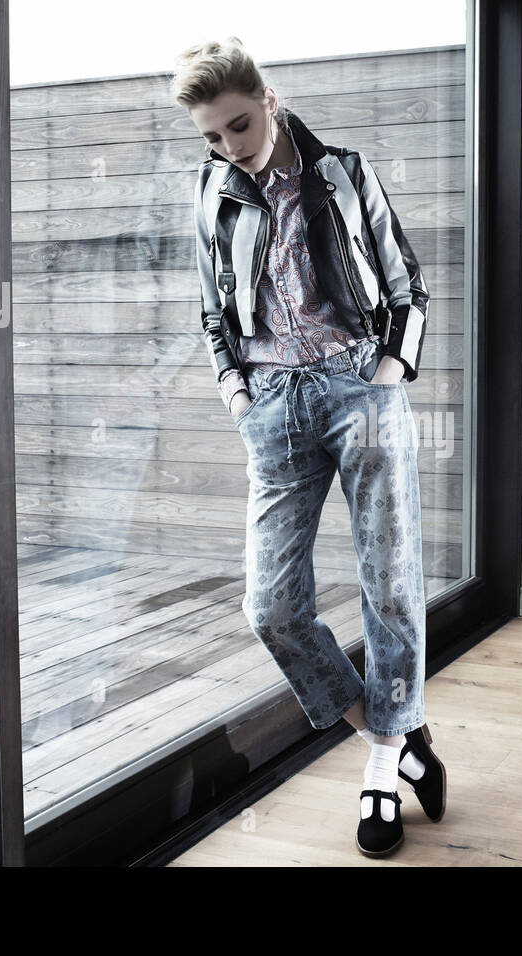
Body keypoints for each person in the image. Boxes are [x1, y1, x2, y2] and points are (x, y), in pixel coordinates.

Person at [173, 36, 446, 857]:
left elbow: (407, 284)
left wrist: (390, 370)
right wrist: (235, 391)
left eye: (239, 125)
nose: (229, 147)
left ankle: (381, 771)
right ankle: (392, 736)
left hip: (360, 388)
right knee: (272, 608)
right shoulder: (210, 189)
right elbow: (214, 310)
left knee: (389, 583)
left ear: (271, 97)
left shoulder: (342, 172)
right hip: (272, 404)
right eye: (212, 136)